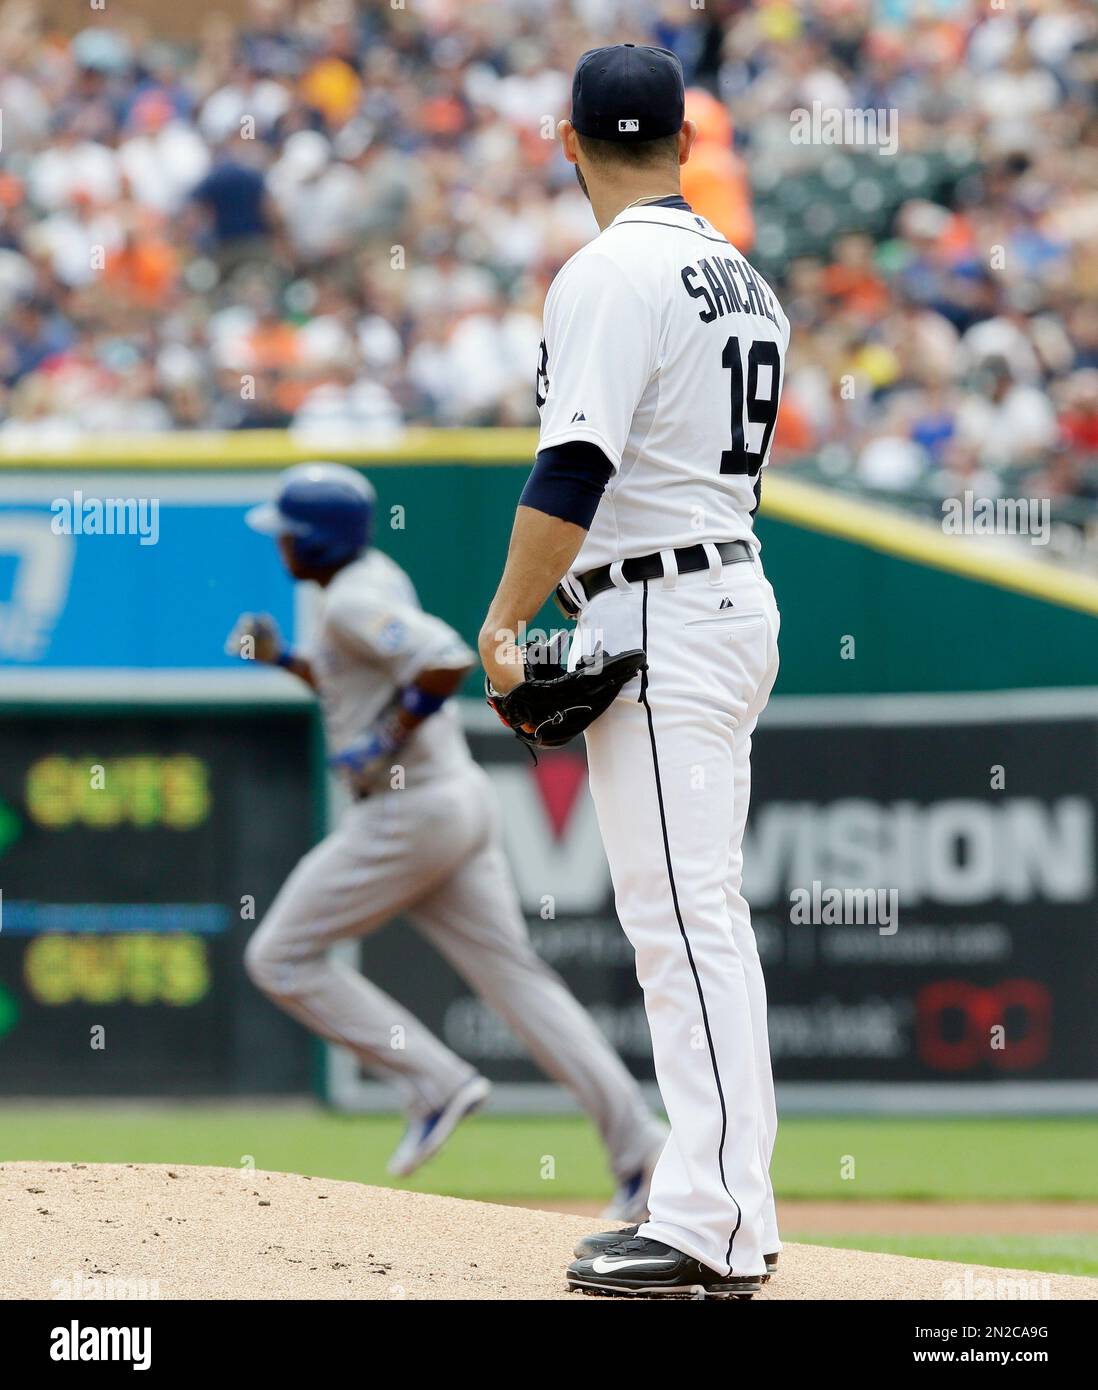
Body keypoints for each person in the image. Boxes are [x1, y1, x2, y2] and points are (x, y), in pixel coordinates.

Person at [479, 44, 787, 1299]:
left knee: (683, 927)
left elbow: (574, 471)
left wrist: (504, 623)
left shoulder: (609, 271)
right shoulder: (741, 274)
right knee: (699, 918)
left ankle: (710, 1226)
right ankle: (730, 1213)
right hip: (715, 587)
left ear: (568, 138)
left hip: (665, 604)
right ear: (681, 139)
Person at [229, 461, 664, 1210]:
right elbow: (362, 679)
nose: (280, 548)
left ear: (317, 540)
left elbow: (445, 658)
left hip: (410, 811)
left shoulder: (350, 600)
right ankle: (644, 1152)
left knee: (279, 956)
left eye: (288, 535)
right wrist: (289, 664)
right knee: (521, 985)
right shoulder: (366, 582)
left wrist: (385, 738)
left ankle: (434, 1083)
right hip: (453, 801)